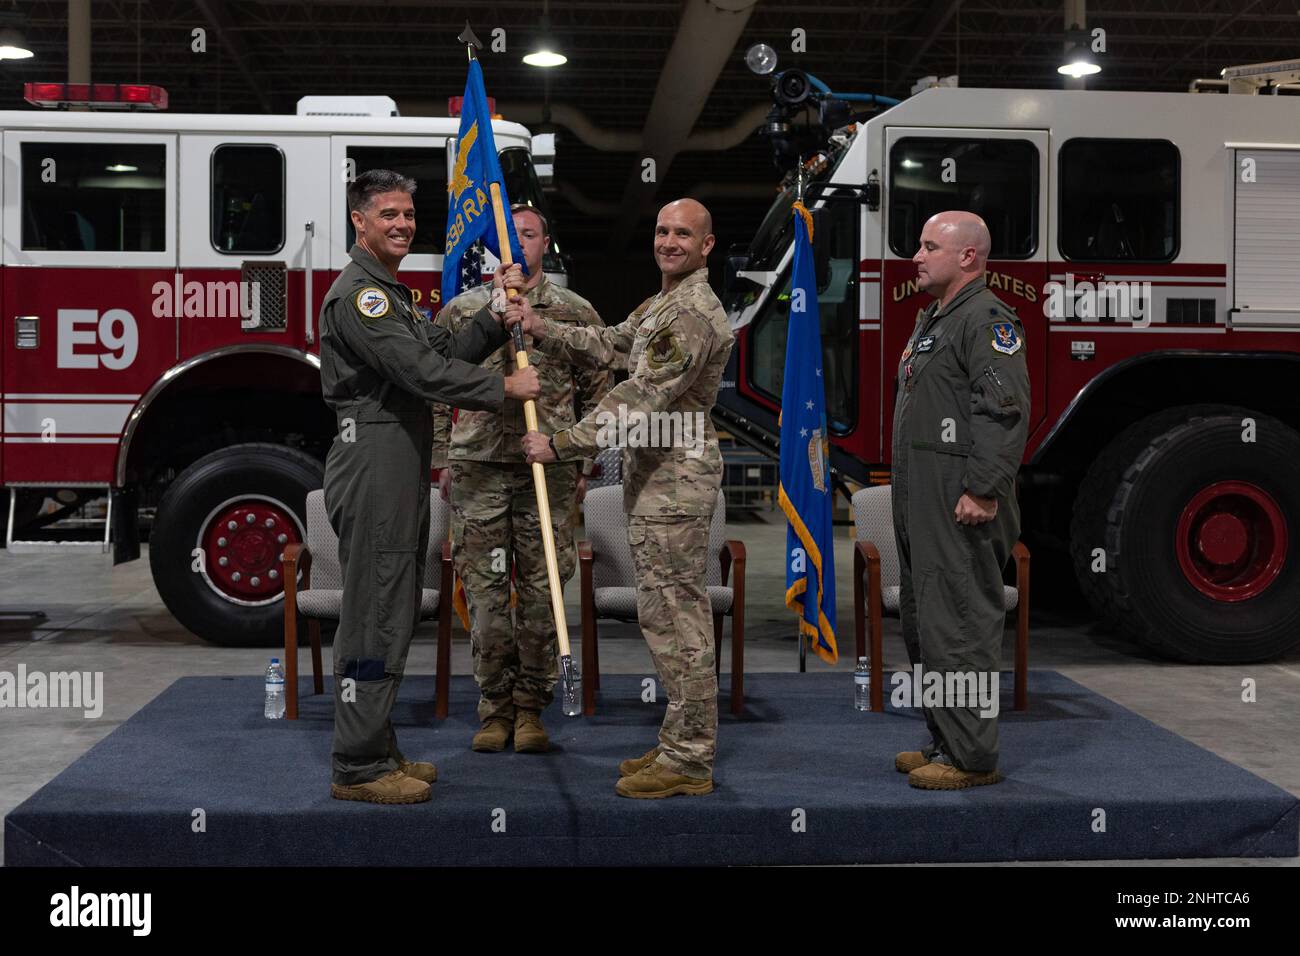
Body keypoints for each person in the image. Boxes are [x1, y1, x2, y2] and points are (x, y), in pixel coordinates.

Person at [320, 169, 539, 805]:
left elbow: (441, 345)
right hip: (375, 455)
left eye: (409, 215)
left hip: (399, 454)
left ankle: (379, 747)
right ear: (359, 222)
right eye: (388, 214)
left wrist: (496, 316)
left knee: (391, 604)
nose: (402, 224)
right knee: (372, 612)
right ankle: (356, 766)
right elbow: (420, 372)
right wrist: (503, 390)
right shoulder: (360, 295)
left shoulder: (391, 293)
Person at [513, 198, 733, 799]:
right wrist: (539, 328)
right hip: (654, 476)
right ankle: (677, 741)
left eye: (682, 233)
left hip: (675, 480)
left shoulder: (690, 311)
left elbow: (640, 396)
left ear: (706, 245)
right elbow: (611, 344)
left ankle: (689, 758)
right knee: (662, 614)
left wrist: (561, 444)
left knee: (678, 618)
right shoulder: (664, 300)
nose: (668, 241)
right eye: (661, 230)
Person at [432, 204, 612, 754]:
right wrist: (443, 457)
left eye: (528, 234)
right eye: (509, 236)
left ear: (544, 243)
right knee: (486, 600)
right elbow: (435, 383)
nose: (519, 244)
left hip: (548, 473)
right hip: (479, 471)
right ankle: (494, 709)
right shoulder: (463, 312)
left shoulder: (574, 312)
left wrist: (582, 461)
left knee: (542, 597)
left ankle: (533, 707)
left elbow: (599, 392)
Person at [890, 210, 1030, 790]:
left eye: (929, 247)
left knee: (962, 623)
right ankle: (946, 738)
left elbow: (1003, 411)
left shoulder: (987, 319)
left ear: (968, 256)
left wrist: (983, 487)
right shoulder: (937, 319)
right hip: (924, 494)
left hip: (959, 497)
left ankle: (972, 758)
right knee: (927, 621)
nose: (916, 257)